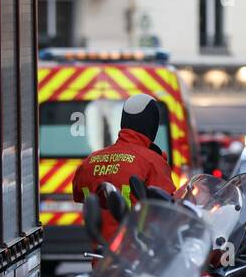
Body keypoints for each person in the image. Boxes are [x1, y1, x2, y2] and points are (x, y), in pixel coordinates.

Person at [72, 93, 173, 236]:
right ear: (151, 123)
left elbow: (78, 195)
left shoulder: (89, 162)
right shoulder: (152, 161)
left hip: (102, 255)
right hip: (138, 253)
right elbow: (167, 210)